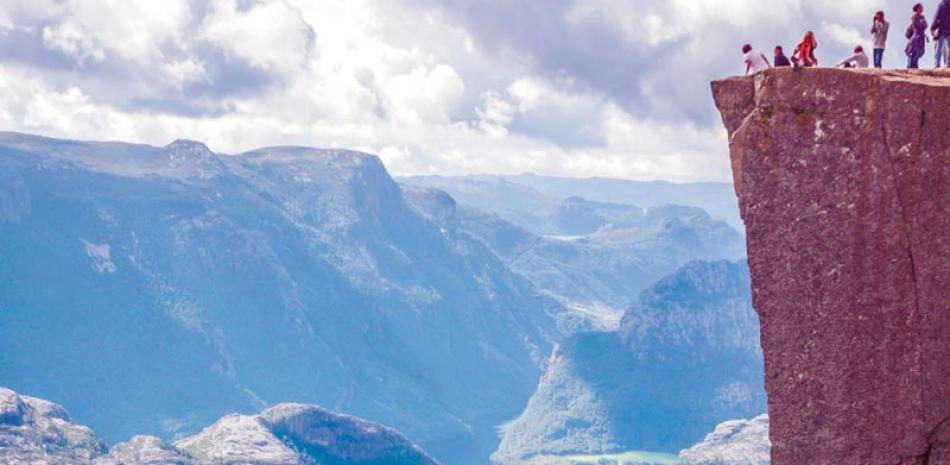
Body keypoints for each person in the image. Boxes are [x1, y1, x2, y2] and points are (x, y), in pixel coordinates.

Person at [906, 3, 929, 69]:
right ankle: (910, 66)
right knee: (912, 51)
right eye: (920, 7)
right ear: (917, 9)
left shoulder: (922, 17)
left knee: (918, 51)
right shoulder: (914, 17)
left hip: (921, 36)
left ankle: (915, 66)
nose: (922, 8)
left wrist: (922, 24)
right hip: (916, 36)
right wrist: (922, 24)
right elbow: (917, 25)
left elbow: (926, 25)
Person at [932, 0, 950, 67]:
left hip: (942, 28)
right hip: (947, 28)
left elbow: (936, 16)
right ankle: (948, 63)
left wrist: (933, 27)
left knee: (939, 47)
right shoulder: (941, 4)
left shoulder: (941, 4)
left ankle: (937, 63)